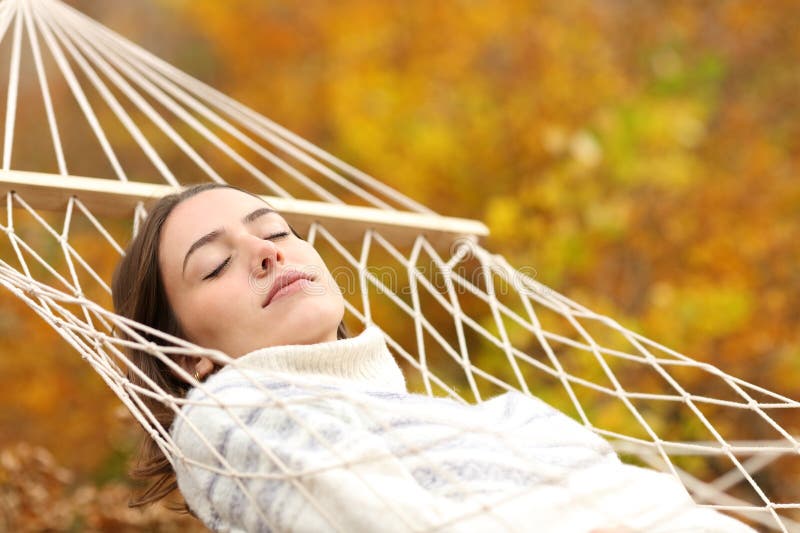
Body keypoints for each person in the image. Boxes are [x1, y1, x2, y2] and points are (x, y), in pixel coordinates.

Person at [112, 183, 754, 532]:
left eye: (277, 230)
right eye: (217, 264)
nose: (269, 250)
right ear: (184, 358)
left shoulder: (504, 417)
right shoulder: (225, 419)